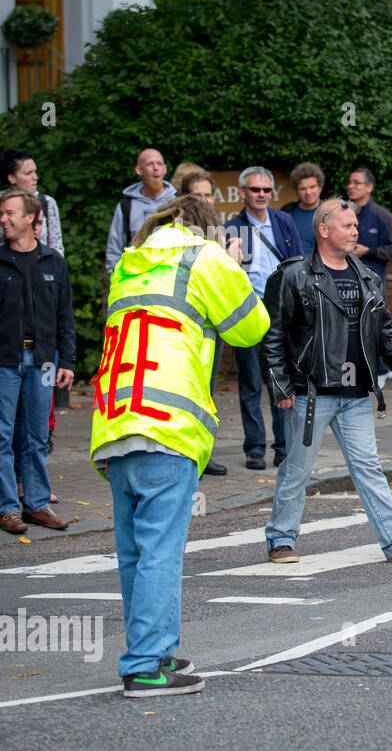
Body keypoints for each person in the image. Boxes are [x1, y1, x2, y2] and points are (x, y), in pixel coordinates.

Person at [91, 194, 270, 696]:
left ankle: (157, 650)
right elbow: (251, 326)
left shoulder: (132, 262)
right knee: (161, 553)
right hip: (167, 427)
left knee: (136, 554)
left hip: (114, 426)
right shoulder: (204, 256)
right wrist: (233, 266)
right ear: (206, 227)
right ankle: (146, 665)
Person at [262, 198, 392, 565]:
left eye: (356, 225)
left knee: (368, 468)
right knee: (296, 468)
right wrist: (280, 387)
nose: (355, 231)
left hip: (357, 392)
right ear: (323, 230)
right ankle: (281, 539)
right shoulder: (292, 275)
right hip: (309, 393)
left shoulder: (367, 276)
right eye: (347, 225)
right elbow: (273, 336)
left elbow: (386, 336)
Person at [0, 190, 74, 534]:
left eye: (10, 213)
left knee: (37, 435)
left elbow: (65, 318)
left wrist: (68, 362)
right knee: (2, 435)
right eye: (2, 214)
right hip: (5, 360)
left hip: (44, 361)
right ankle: (7, 508)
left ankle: (36, 505)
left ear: (31, 218)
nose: (3, 219)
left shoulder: (53, 262)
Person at [224, 166, 304, 469]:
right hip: (249, 313)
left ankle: (282, 446)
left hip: (280, 313)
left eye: (266, 190)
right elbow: (225, 277)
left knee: (281, 381)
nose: (261, 195)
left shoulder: (283, 221)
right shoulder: (232, 227)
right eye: (255, 190)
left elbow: (298, 263)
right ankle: (255, 449)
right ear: (243, 192)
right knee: (251, 383)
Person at [179, 168, 243, 477]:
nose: (204, 201)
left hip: (210, 327)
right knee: (185, 390)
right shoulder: (175, 233)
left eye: (208, 194)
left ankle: (203, 453)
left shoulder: (217, 232)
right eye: (197, 195)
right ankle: (185, 454)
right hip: (182, 327)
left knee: (207, 392)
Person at [104, 148, 177, 274]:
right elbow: (114, 248)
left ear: (165, 169)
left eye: (159, 164)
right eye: (150, 164)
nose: (155, 168)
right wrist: (115, 277)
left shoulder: (178, 202)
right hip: (134, 277)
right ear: (138, 170)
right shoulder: (126, 205)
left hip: (171, 277)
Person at [345, 167, 392, 282]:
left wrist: (368, 251)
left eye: (356, 183)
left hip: (372, 286)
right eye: (349, 182)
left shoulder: (383, 216)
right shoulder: (341, 213)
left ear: (369, 187)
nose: (350, 186)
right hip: (344, 282)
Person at [3, 150, 62, 255]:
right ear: (12, 178)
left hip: (41, 266)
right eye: (28, 173)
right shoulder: (1, 201)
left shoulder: (47, 203)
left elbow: (57, 247)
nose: (35, 177)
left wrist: (55, 268)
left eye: (35, 171)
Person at [282, 162, 325, 258]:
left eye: (312, 187)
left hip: (320, 270)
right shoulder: (287, 211)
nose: (308, 192)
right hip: (292, 269)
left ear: (320, 187)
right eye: (303, 188)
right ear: (296, 190)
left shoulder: (329, 213)